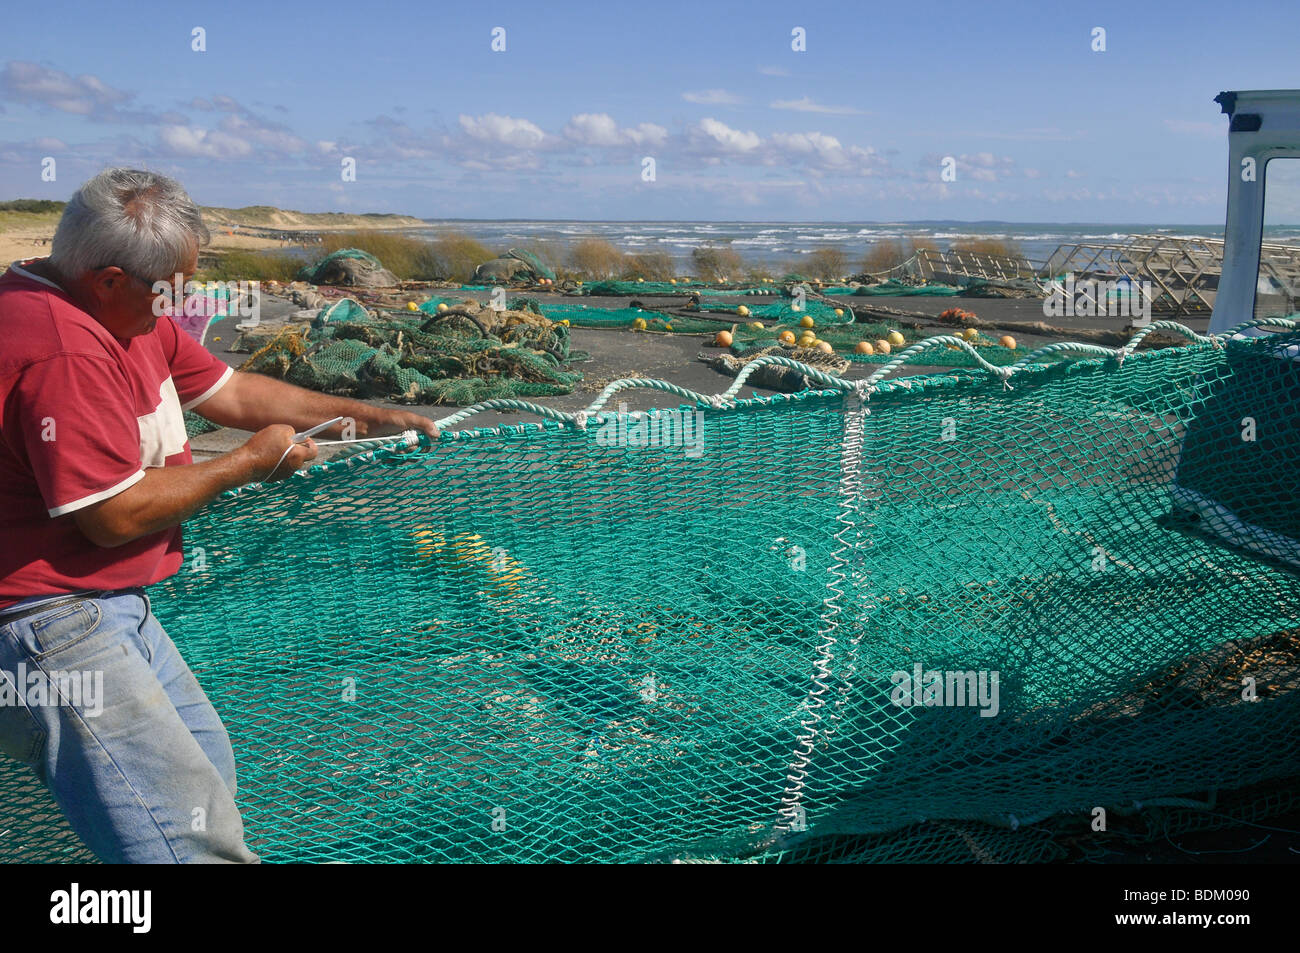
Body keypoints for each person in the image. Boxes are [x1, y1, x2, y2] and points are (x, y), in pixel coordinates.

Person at [0, 168, 437, 863]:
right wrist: (245, 465)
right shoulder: (65, 350)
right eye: (167, 288)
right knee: (187, 844)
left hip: (110, 601)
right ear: (108, 278)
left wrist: (362, 415)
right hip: (45, 620)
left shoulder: (118, 312)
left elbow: (231, 391)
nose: (178, 302)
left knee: (207, 777)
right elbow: (110, 516)